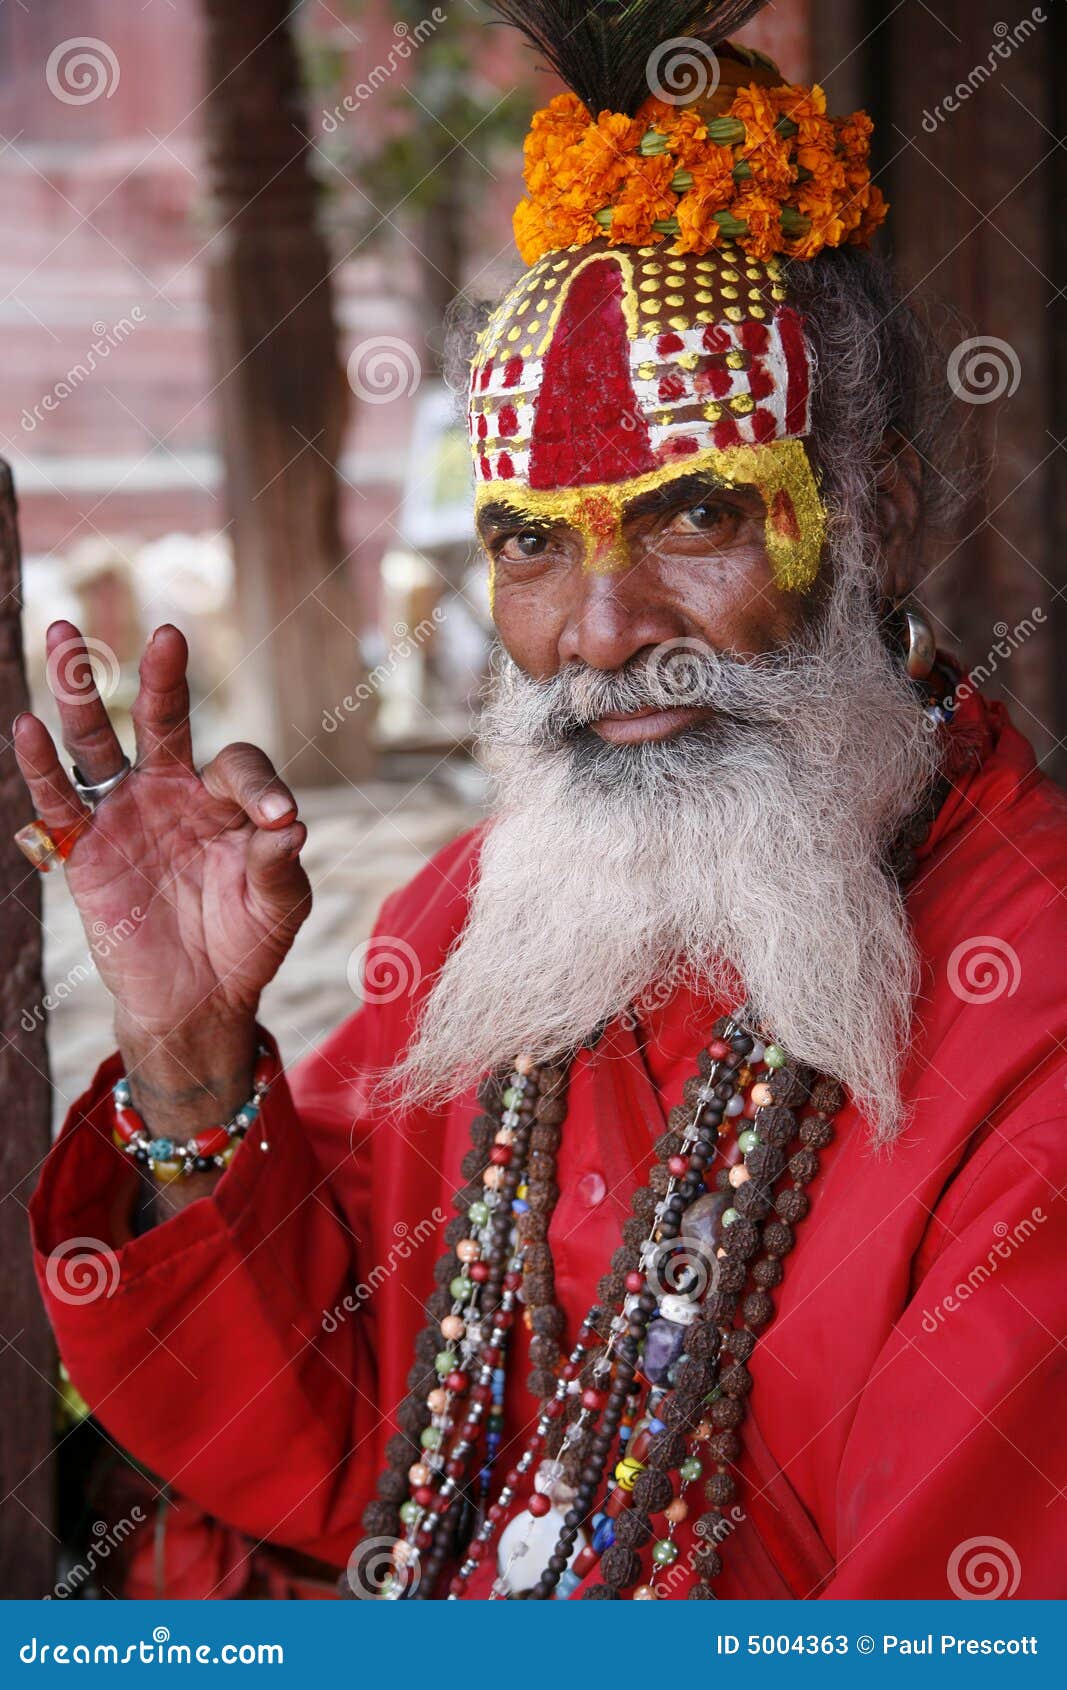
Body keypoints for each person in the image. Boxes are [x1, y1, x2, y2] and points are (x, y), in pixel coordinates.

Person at [18, 0, 1067, 1600]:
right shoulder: (483, 911)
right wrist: (186, 1052)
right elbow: (371, 1446)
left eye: (696, 517)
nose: (598, 631)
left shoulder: (1031, 1002)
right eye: (532, 541)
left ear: (879, 515)